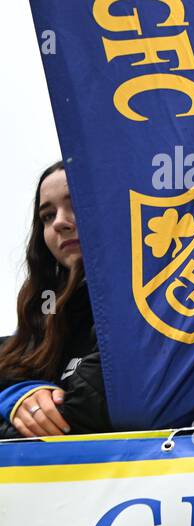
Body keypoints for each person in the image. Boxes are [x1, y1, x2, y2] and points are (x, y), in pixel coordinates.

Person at [0, 162, 111, 439]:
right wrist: (14, 396)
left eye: (78, 202)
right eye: (48, 216)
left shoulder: (154, 308)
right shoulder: (39, 320)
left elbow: (76, 417)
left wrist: (34, 415)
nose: (60, 222)